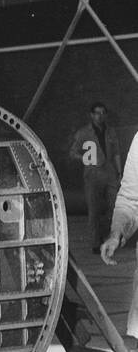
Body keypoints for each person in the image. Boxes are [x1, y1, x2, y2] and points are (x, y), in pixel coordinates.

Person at [70, 102, 121, 253]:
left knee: (115, 207)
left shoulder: (111, 132)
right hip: (92, 174)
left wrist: (119, 172)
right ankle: (95, 243)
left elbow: (117, 152)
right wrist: (85, 158)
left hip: (110, 173)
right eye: (97, 113)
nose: (100, 116)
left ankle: (107, 238)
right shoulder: (83, 133)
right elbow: (73, 152)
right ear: (91, 115)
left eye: (103, 113)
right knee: (94, 209)